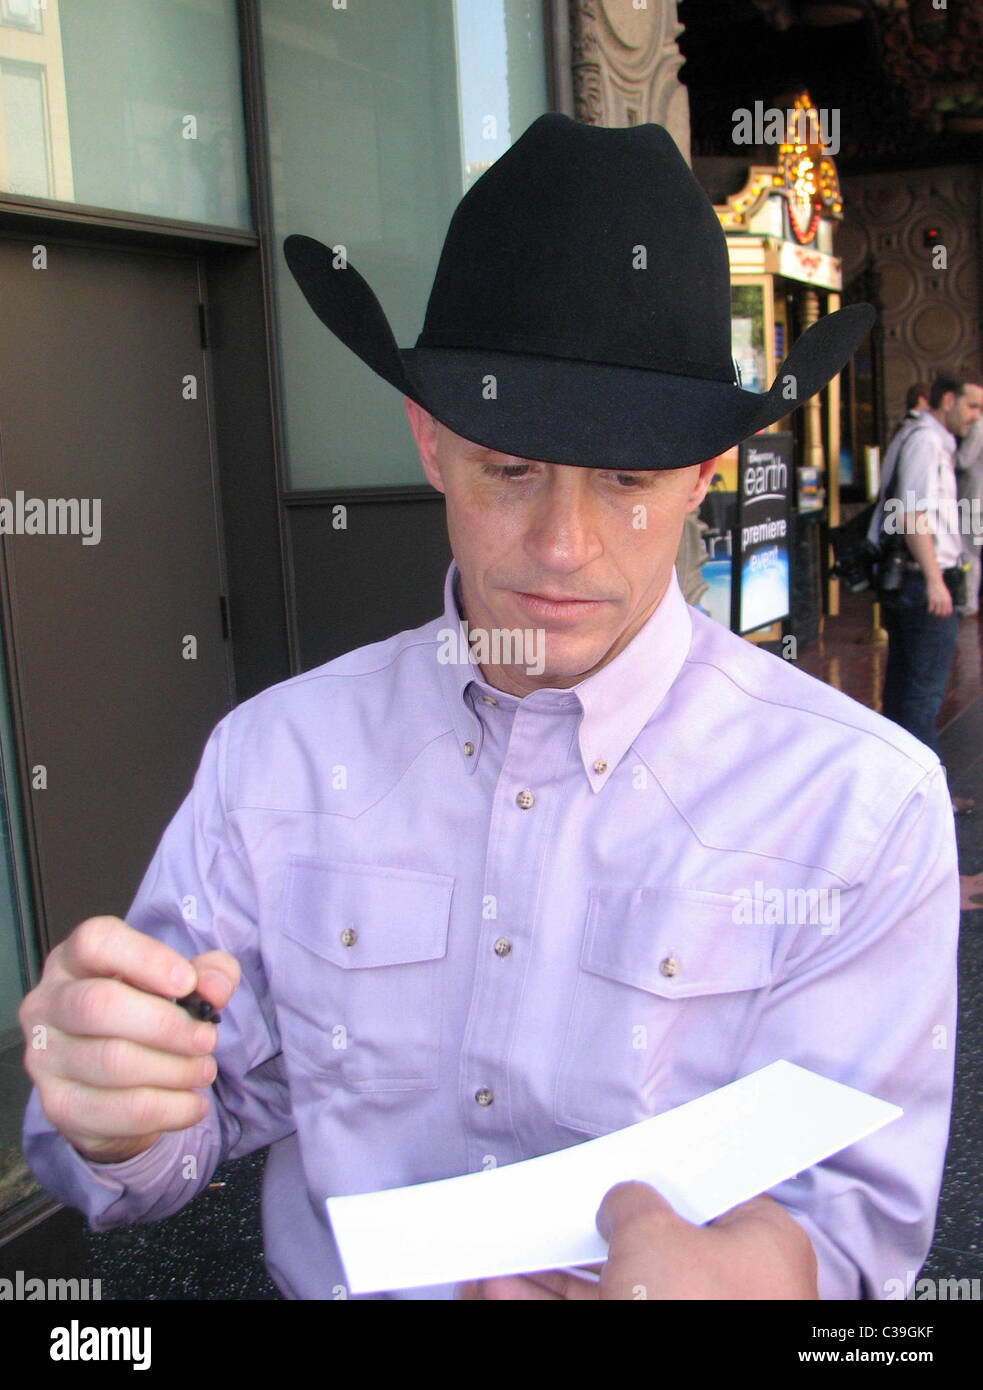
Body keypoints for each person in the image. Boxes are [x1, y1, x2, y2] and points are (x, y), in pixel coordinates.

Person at [19, 115, 958, 1301]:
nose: (561, 545)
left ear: (704, 480)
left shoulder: (860, 808)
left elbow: (856, 1216)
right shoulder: (276, 762)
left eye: (625, 478)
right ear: (427, 443)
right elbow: (180, 1124)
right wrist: (115, 1108)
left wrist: (750, 1283)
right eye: (508, 468)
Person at [871, 373, 983, 805]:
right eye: (972, 406)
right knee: (919, 695)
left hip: (924, 579)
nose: (976, 417)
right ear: (949, 400)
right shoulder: (926, 441)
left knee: (905, 690)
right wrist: (936, 580)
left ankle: (897, 791)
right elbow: (911, 514)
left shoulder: (929, 439)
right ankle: (929, 800)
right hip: (924, 582)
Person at [956, 415, 983, 617]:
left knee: (968, 552)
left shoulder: (978, 427)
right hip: (975, 497)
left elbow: (963, 460)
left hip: (973, 498)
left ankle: (968, 602)